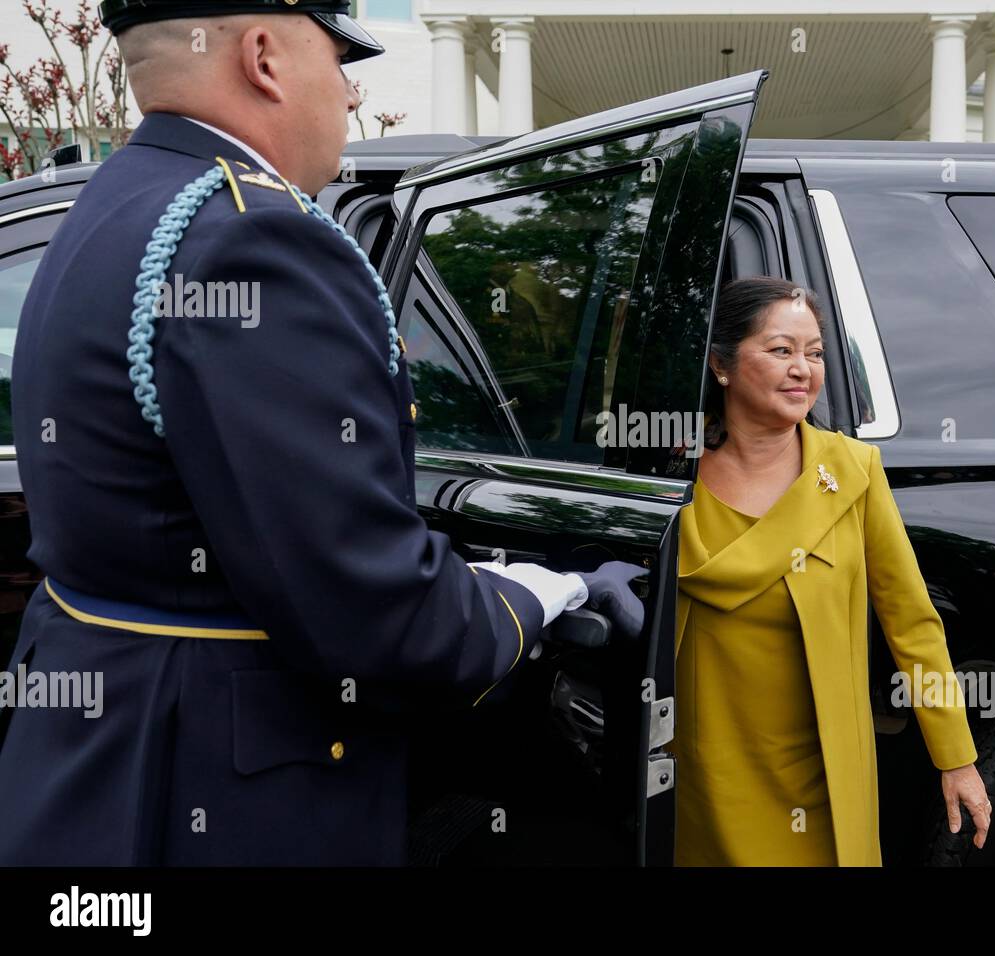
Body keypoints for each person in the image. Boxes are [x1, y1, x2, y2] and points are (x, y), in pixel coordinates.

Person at [0, 0, 640, 865]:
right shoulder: (252, 236)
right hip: (218, 786)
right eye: (339, 64)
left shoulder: (117, 200)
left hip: (103, 756)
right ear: (264, 57)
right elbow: (380, 619)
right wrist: (532, 591)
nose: (345, 94)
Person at [667, 276, 992, 866]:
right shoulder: (667, 477)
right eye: (781, 350)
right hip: (704, 766)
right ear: (721, 365)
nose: (803, 369)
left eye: (814, 353)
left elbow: (912, 624)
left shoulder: (853, 471)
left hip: (824, 769)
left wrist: (956, 757)